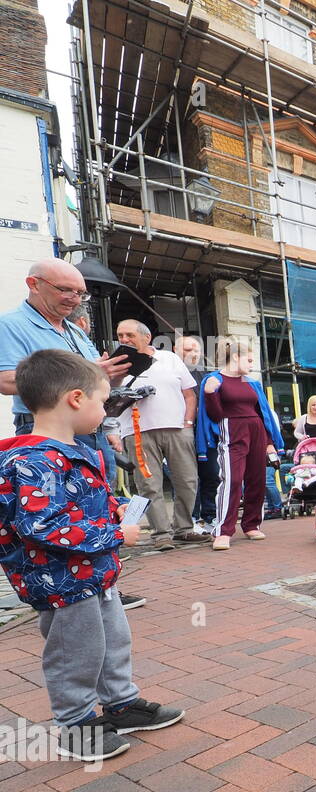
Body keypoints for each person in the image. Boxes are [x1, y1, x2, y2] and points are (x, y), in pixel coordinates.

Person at [0, 348, 184, 760]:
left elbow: (80, 502)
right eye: (103, 401)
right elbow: (42, 525)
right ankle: (75, 723)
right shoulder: (35, 460)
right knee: (74, 652)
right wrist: (115, 532)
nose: (106, 411)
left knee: (113, 641)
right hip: (61, 581)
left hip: (94, 575)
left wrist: (113, 506)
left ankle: (121, 704)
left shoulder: (72, 450)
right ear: (76, 399)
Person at [0, 259, 130, 485]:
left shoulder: (75, 332)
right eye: (65, 289)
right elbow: (5, 381)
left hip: (91, 430)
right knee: (60, 504)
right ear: (34, 284)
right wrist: (85, 374)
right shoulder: (10, 325)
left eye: (81, 293)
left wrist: (112, 374)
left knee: (99, 497)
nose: (76, 299)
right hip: (48, 432)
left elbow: (94, 378)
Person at [114, 319, 208, 547]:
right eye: (120, 335)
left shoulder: (170, 358)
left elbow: (190, 394)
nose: (124, 340)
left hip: (177, 429)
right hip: (136, 431)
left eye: (129, 335)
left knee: (187, 480)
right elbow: (107, 398)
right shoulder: (116, 364)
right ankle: (161, 534)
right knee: (148, 484)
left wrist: (187, 422)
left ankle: (184, 528)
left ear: (146, 337)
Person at [199, 339, 283, 550]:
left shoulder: (252, 383)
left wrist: (269, 443)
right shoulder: (214, 380)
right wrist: (210, 394)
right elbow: (214, 415)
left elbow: (262, 413)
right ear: (236, 357)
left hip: (256, 432)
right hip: (232, 432)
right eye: (250, 359)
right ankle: (223, 531)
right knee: (232, 480)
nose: (252, 364)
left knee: (258, 480)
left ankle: (252, 524)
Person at [181, 336, 219, 537]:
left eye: (197, 350)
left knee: (212, 474)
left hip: (205, 434)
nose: (194, 354)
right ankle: (191, 519)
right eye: (188, 350)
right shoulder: (174, 375)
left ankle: (210, 517)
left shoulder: (206, 376)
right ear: (177, 351)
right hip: (182, 432)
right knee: (189, 478)